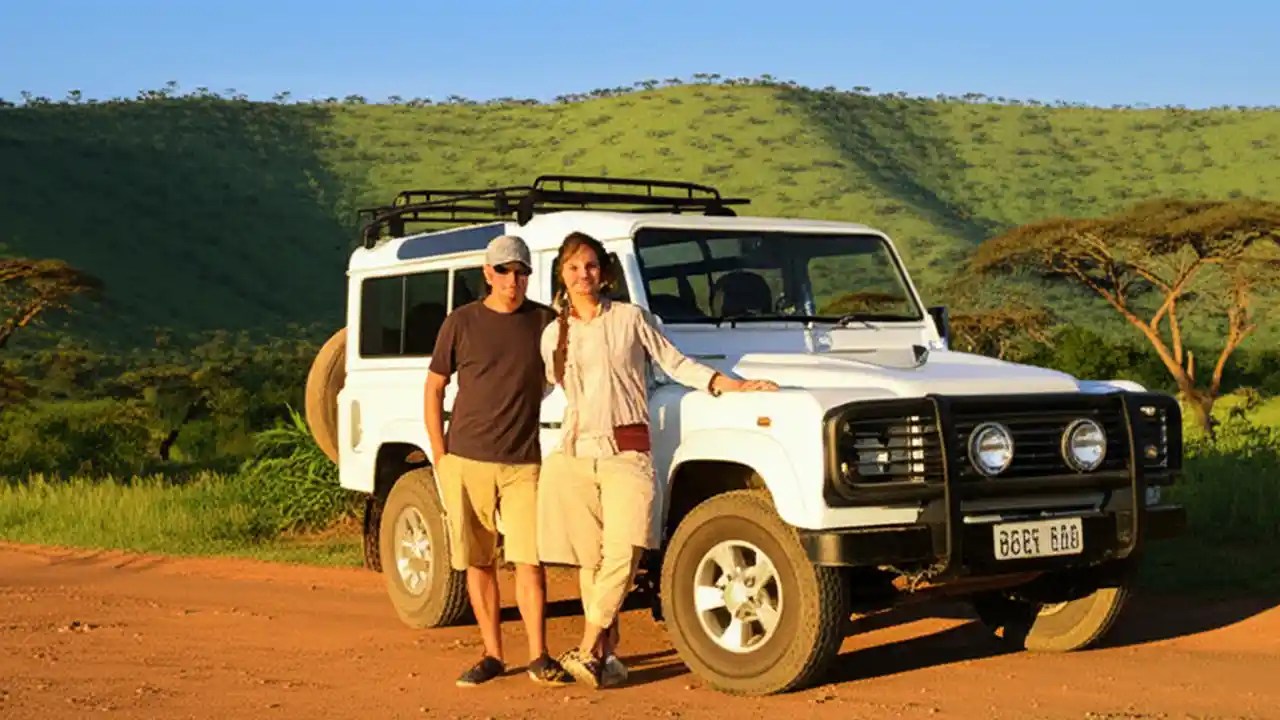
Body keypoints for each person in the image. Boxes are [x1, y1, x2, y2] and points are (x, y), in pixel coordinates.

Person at [536, 231, 780, 688]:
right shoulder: (554, 333)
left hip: (627, 451)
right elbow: (543, 387)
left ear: (603, 272)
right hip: (575, 454)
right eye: (573, 267)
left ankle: (587, 647)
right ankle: (606, 659)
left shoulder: (630, 318)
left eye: (590, 266)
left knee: (625, 551)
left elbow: (675, 363)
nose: (583, 275)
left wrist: (731, 385)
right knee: (591, 561)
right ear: (562, 275)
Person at [424, 234, 572, 688]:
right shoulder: (461, 323)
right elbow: (434, 388)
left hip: (523, 463)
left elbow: (566, 370)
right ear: (487, 274)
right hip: (466, 459)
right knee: (479, 561)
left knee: (529, 561)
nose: (514, 280)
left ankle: (539, 656)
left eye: (522, 271)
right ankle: (492, 653)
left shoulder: (545, 322)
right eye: (504, 271)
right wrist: (440, 455)